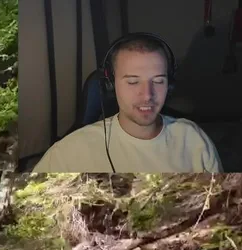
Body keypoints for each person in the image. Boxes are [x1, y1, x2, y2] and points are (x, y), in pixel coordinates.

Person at [33, 33, 222, 173]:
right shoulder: (68, 153)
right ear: (110, 84)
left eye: (158, 81)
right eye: (132, 82)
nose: (147, 95)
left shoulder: (194, 140)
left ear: (169, 85)